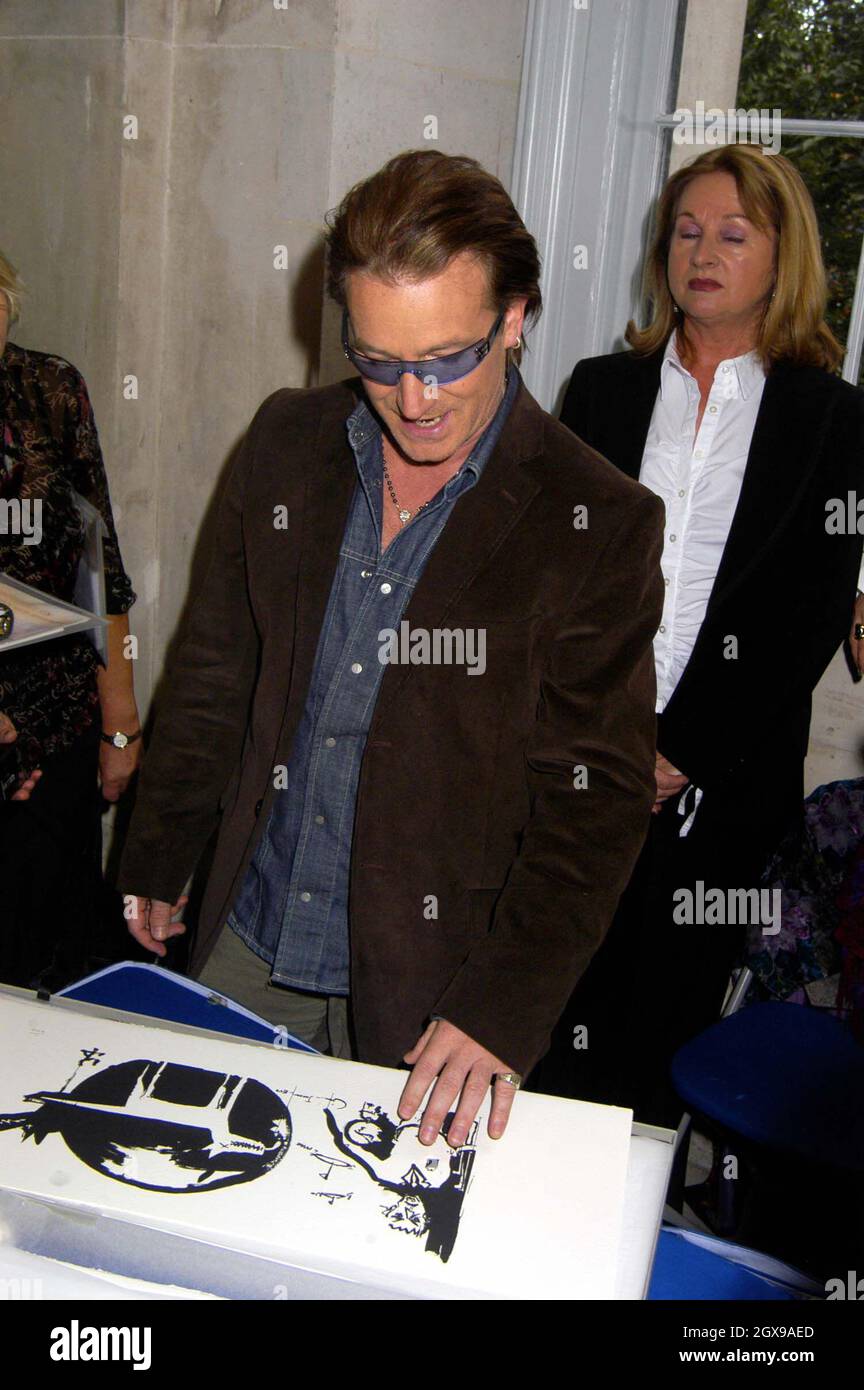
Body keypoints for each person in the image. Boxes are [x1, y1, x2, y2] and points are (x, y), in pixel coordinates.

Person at [118, 150, 665, 1147]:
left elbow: (597, 801)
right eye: (378, 359)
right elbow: (214, 665)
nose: (415, 398)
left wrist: (503, 1006)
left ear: (516, 317)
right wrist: (161, 844)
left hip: (433, 993)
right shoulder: (286, 440)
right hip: (250, 927)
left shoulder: (597, 519)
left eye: (449, 357)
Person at [531, 144, 864, 1128]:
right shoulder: (601, 391)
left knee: (657, 1049)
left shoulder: (834, 418)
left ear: (782, 257)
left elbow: (807, 606)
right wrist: (602, 732)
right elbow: (554, 574)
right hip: (579, 766)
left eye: (732, 233)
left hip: (721, 792)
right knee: (546, 1024)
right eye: (685, 231)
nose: (702, 252)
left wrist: (677, 751)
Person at [0, 251, 141, 986]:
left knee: (51, 960)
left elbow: (98, 567)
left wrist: (120, 726)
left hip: (58, 719)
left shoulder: (49, 390)